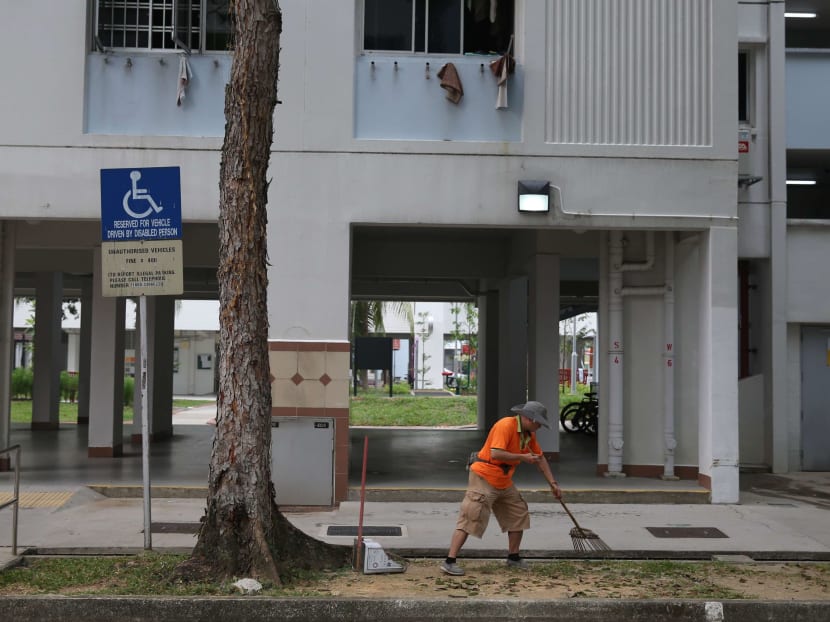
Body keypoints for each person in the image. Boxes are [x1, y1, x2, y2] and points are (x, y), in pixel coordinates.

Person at [440, 400, 562, 576]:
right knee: (472, 514)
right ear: (528, 418)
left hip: (504, 479)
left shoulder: (528, 434)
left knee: (517, 512)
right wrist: (523, 457)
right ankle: (449, 561)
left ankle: (513, 557)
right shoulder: (505, 425)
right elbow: (496, 453)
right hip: (484, 475)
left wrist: (553, 484)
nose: (540, 427)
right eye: (539, 423)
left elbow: (540, 458)